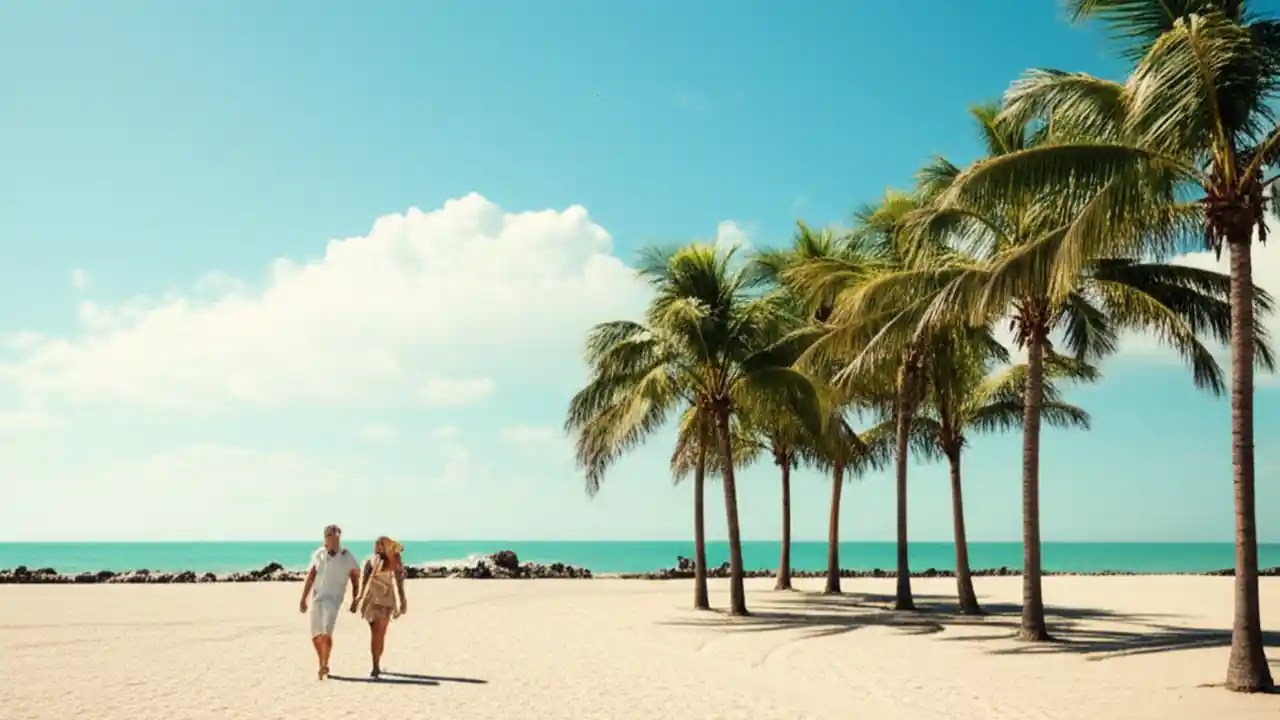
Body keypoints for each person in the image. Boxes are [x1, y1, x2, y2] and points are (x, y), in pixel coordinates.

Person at [299, 524, 361, 680]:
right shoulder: (318, 554)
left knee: (327, 632)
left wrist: (355, 599)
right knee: (316, 636)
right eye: (332, 536)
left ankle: (324, 664)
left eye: (338, 537)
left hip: (333, 600)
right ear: (326, 538)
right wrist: (303, 599)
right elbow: (311, 576)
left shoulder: (346, 556)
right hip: (316, 598)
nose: (335, 540)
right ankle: (322, 662)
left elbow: (355, 578)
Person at [357, 536, 408, 678]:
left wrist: (402, 600)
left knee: (381, 633)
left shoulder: (394, 561)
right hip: (372, 601)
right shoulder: (372, 561)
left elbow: (399, 581)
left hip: (386, 601)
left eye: (381, 544)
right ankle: (375, 664)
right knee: (376, 633)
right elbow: (364, 582)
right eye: (377, 544)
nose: (378, 547)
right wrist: (358, 599)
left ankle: (376, 663)